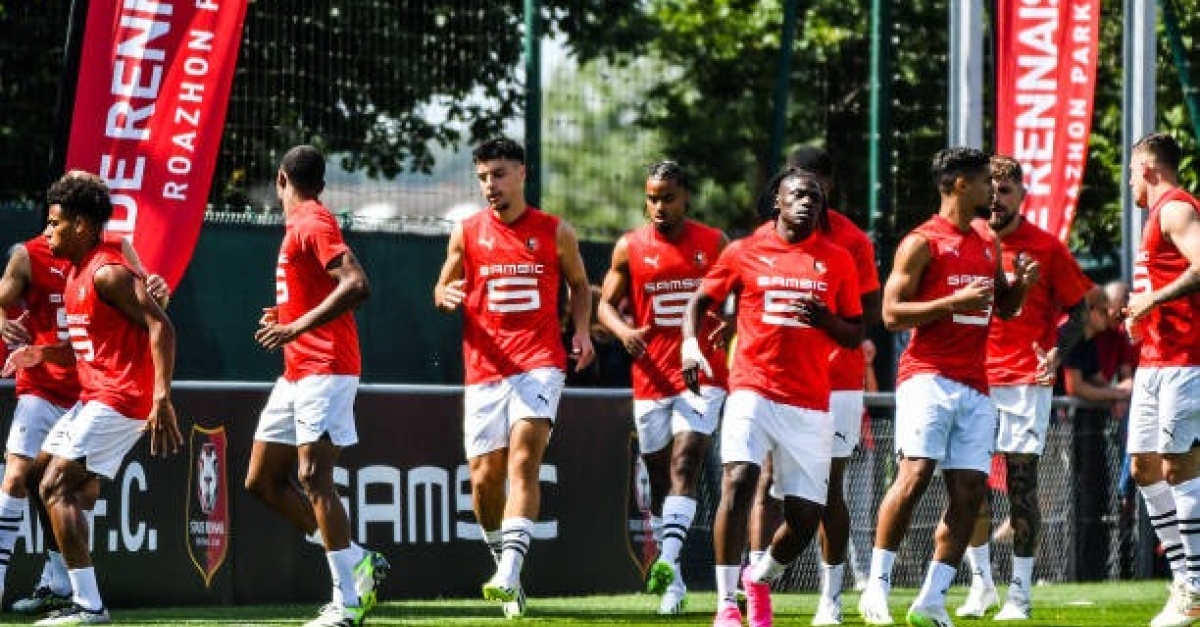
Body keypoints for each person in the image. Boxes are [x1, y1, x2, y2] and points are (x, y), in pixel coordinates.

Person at [857, 147, 1037, 627]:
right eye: (984, 182)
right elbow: (891, 314)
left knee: (971, 491)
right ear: (959, 184)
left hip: (976, 383)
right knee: (914, 476)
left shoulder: (987, 240)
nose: (992, 192)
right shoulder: (921, 242)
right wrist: (950, 302)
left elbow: (1004, 307)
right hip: (927, 376)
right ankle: (877, 587)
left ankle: (931, 600)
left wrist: (1020, 285)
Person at [682, 167, 863, 627]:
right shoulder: (744, 250)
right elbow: (700, 300)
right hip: (752, 387)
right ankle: (726, 604)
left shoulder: (838, 259)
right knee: (740, 478)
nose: (807, 203)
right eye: (798, 195)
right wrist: (690, 346)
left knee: (805, 519)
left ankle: (758, 577)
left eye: (815, 198)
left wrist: (827, 321)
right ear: (777, 202)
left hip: (809, 401)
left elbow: (855, 333)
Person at [0, 171, 179, 625]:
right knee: (40, 475)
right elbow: (84, 348)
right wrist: (40, 353)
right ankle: (66, 586)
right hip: (95, 395)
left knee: (54, 486)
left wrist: (162, 396)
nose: (47, 232)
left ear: (80, 225)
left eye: (54, 223)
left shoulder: (107, 271)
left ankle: (88, 604)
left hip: (122, 398)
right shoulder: (77, 273)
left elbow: (161, 325)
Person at [433, 137, 595, 619]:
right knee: (484, 481)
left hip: (540, 363)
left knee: (524, 460)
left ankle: (507, 573)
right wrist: (443, 295)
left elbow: (580, 285)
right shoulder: (466, 232)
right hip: (484, 369)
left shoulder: (555, 231)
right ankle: (505, 564)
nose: (491, 185)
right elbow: (442, 284)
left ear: (522, 174)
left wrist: (581, 331)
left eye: (499, 174)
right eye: (483, 177)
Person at [242, 145, 386, 627]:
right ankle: (358, 558)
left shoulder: (312, 221)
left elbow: (357, 284)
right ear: (320, 184)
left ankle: (347, 602)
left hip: (326, 367)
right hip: (296, 373)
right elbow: (317, 290)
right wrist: (287, 316)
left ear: (282, 179)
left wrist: (294, 326)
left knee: (312, 477)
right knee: (262, 481)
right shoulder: (300, 225)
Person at [740, 146, 883, 627]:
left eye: (814, 183)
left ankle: (830, 598)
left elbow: (867, 313)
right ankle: (755, 583)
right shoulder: (761, 239)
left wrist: (833, 324)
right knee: (761, 481)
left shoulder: (851, 241)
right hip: (774, 381)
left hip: (835, 382)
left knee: (829, 490)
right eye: (795, 182)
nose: (805, 193)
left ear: (828, 187)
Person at [957, 155, 1093, 621]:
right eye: (990, 189)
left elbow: (1080, 311)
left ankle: (1020, 593)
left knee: (1021, 487)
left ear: (1022, 196)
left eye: (1006, 191)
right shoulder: (967, 240)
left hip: (1023, 381)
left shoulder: (1047, 247)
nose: (995, 199)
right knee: (967, 485)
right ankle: (981, 585)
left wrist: (1056, 353)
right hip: (970, 378)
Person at [596, 160, 729, 614]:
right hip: (650, 376)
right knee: (657, 478)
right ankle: (673, 571)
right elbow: (605, 306)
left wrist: (728, 323)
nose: (659, 206)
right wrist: (623, 332)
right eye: (652, 198)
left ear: (686, 197)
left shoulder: (713, 243)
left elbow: (739, 294)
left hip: (701, 373)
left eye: (668, 198)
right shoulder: (630, 247)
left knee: (685, 463)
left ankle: (668, 569)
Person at [1120, 132, 1200, 627]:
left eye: (1131, 172)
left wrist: (1153, 299)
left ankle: (1196, 586)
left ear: (1148, 169)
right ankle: (1184, 581)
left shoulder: (1175, 208)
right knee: (1143, 467)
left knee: (1178, 468)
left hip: (1186, 360)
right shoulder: (1154, 218)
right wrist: (1142, 312)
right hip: (1155, 360)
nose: (1130, 182)